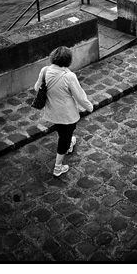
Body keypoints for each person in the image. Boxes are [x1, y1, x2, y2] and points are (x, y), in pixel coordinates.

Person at [34, 46, 94, 177]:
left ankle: (69, 144)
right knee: (65, 137)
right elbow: (80, 97)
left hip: (53, 112)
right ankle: (58, 167)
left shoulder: (45, 70)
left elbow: (36, 88)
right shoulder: (69, 76)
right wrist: (90, 107)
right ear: (68, 60)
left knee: (63, 131)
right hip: (67, 114)